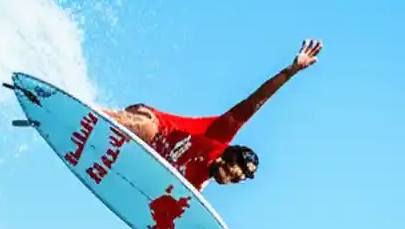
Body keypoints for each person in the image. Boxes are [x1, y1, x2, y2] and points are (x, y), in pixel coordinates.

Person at [103, 39, 323, 189]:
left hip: (140, 151)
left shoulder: (195, 186)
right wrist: (291, 71)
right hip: (147, 121)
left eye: (237, 181)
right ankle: (96, 112)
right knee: (149, 129)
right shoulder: (220, 134)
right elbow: (255, 101)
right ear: (229, 157)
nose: (234, 180)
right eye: (236, 173)